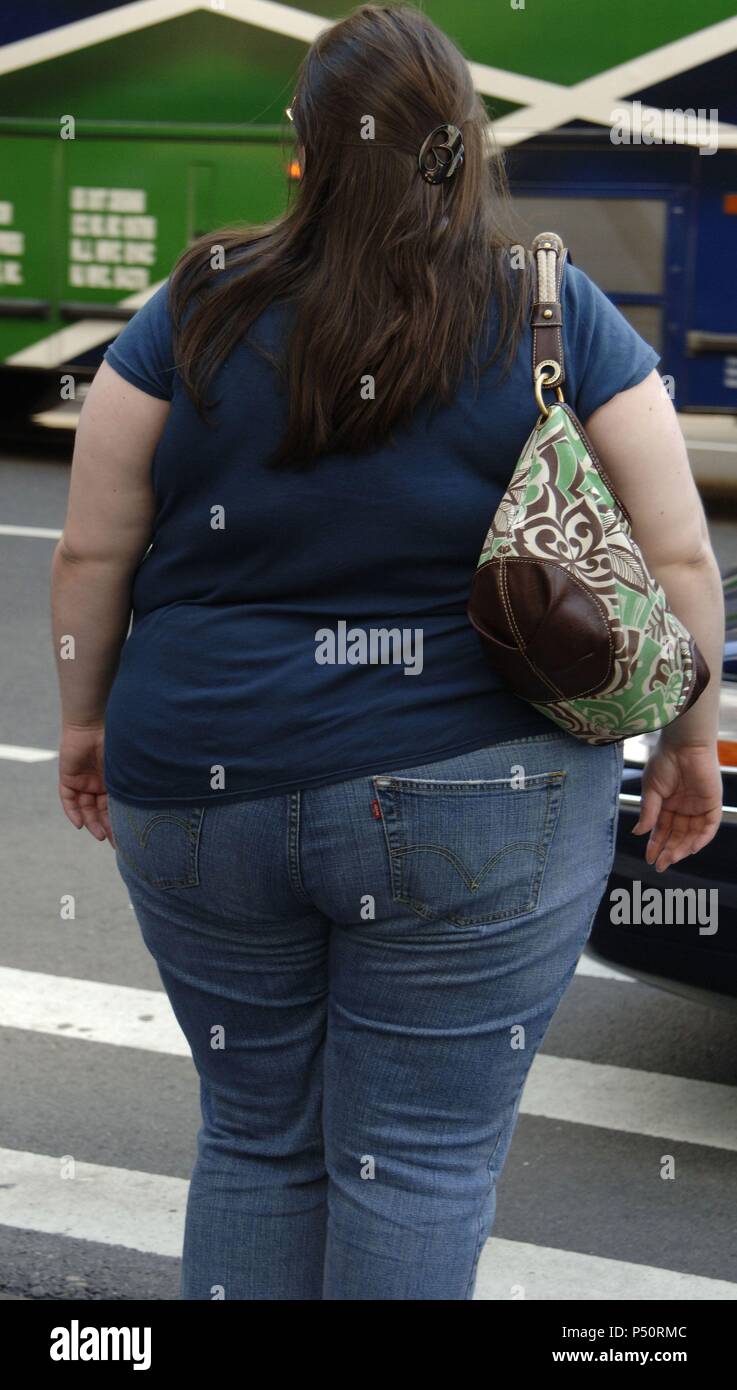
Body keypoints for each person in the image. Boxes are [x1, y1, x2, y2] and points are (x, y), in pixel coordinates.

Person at [50, 3, 723, 1301]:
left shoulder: (192, 302)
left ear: (302, 152)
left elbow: (89, 553)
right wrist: (685, 737)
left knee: (253, 1136)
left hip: (199, 779)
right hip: (482, 791)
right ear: (463, 149)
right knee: (413, 1161)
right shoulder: (548, 305)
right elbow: (677, 552)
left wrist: (85, 722)